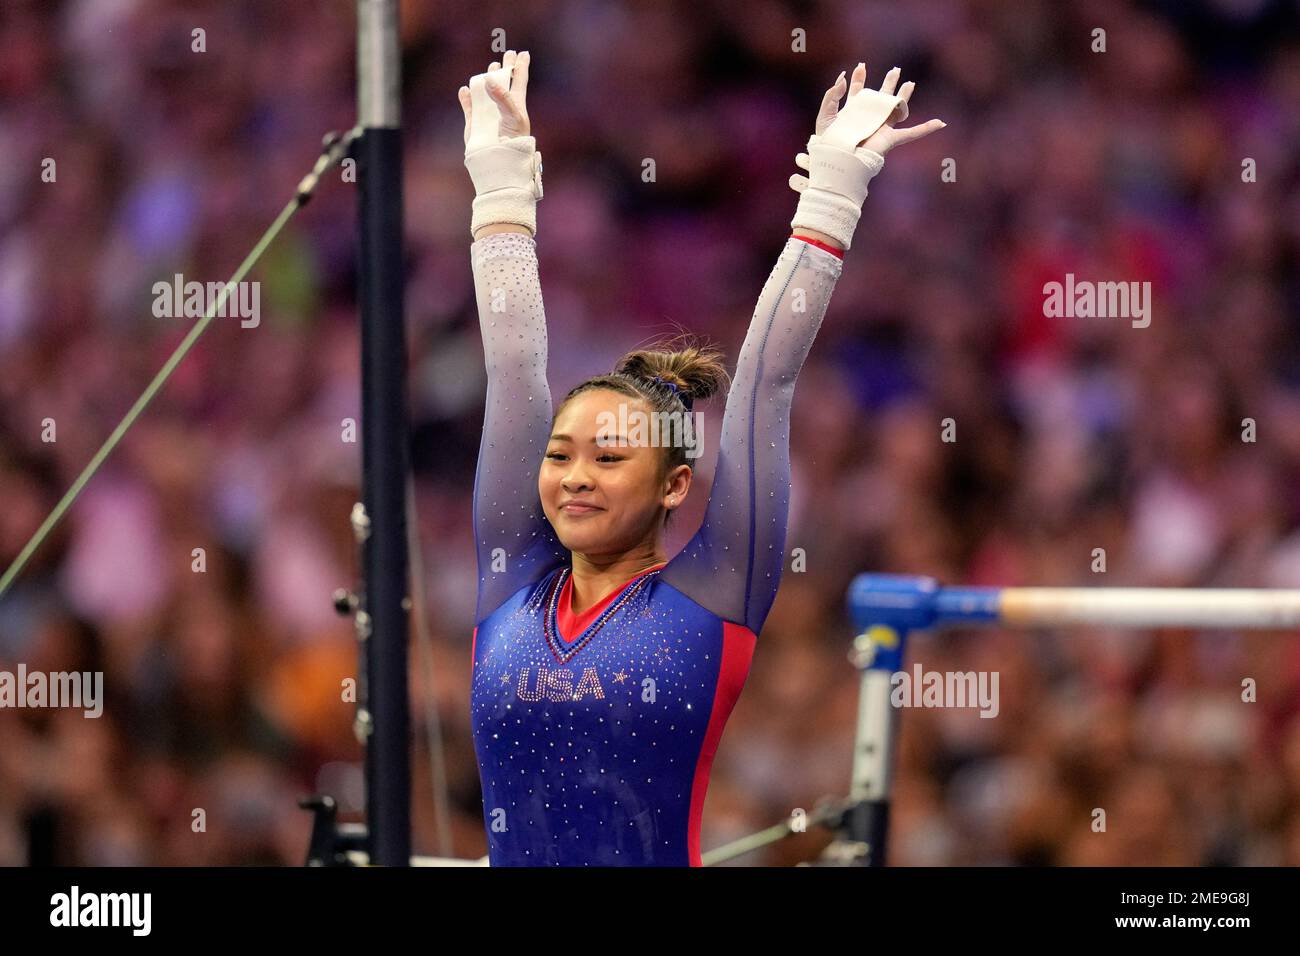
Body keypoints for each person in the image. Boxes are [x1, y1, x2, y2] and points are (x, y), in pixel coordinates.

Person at [458, 49, 944, 865]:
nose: (574, 475)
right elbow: (512, 370)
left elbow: (766, 384)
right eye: (561, 455)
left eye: (609, 459)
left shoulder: (712, 596)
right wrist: (502, 187)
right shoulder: (508, 583)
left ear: (676, 482)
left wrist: (831, 193)